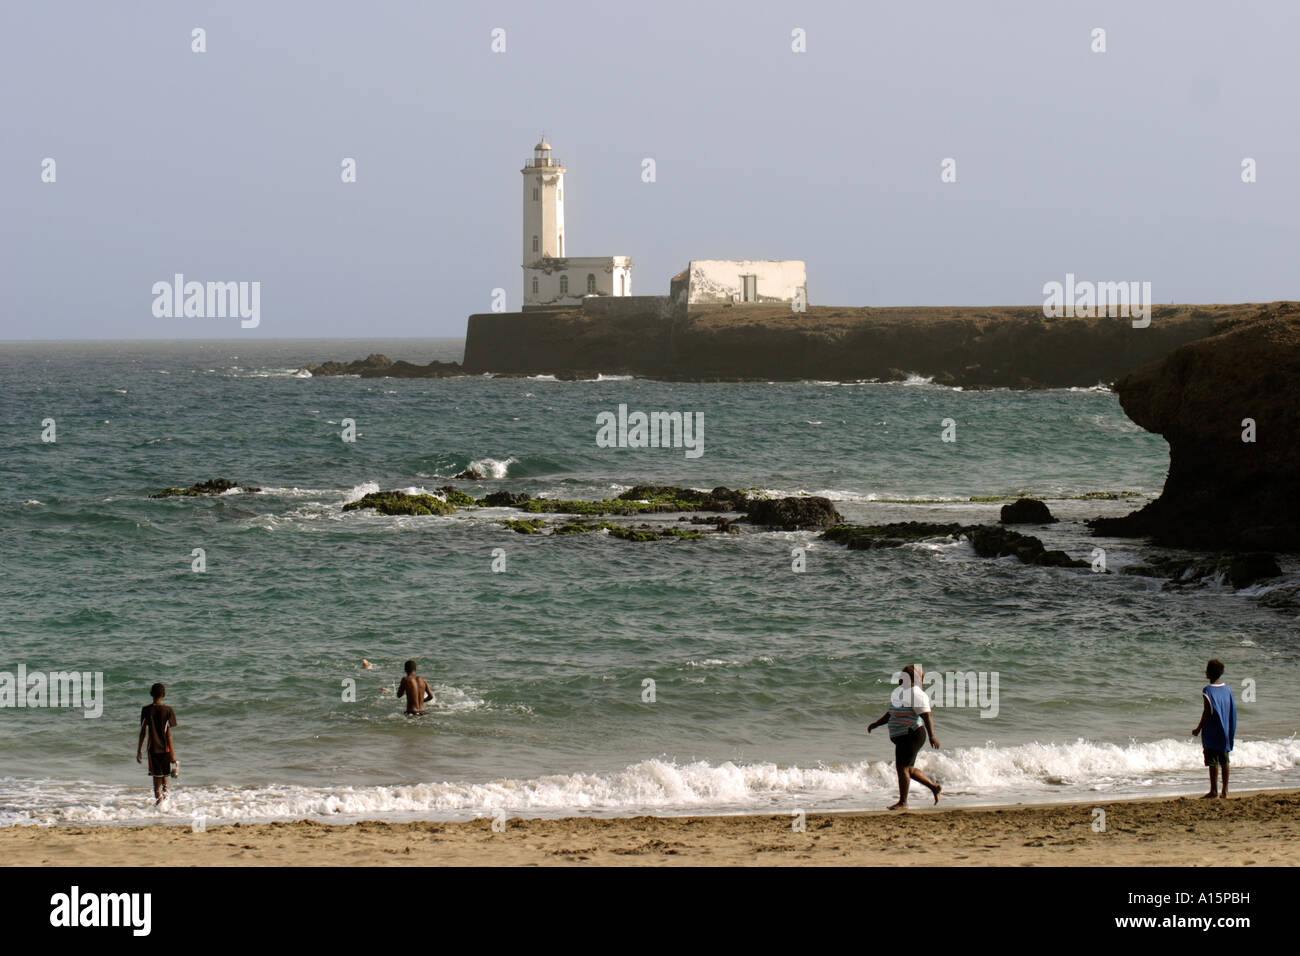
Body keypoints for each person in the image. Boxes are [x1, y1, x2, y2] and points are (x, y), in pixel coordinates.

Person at [868, 664, 941, 809]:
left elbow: (927, 716)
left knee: (902, 768)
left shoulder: (917, 694)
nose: (900, 678)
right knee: (908, 769)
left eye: (903, 676)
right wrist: (876, 724)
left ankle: (903, 802)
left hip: (912, 734)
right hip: (903, 736)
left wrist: (932, 736)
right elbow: (891, 713)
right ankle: (934, 788)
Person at [1192, 658, 1236, 799]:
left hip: (1212, 730)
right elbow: (1231, 709)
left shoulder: (1208, 690)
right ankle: (1225, 791)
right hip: (1225, 729)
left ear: (1209, 673)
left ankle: (1213, 791)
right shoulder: (1227, 689)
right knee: (1225, 760)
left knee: (1212, 761)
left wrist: (1198, 728)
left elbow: (1207, 711)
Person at [136, 682, 178, 805]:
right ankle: (166, 804)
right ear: (164, 694)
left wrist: (139, 750)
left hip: (152, 749)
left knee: (156, 780)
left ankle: (159, 804)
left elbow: (143, 732)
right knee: (165, 778)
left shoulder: (146, 710)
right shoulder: (168, 710)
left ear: (151, 694)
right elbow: (168, 735)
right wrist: (173, 755)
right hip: (166, 749)